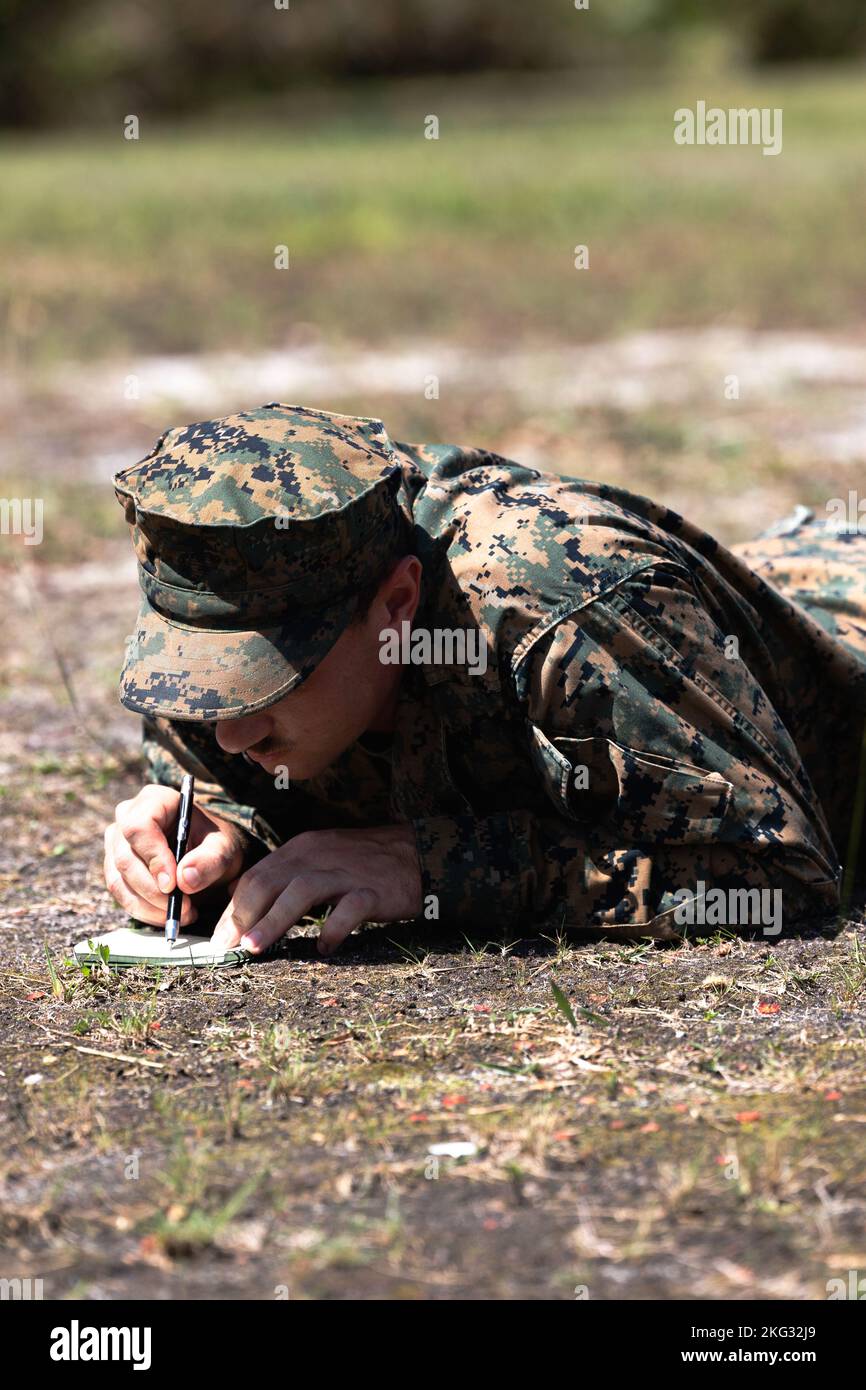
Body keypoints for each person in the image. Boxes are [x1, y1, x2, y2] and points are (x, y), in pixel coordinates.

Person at [103, 403, 866, 957]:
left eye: (259, 684)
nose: (227, 731)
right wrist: (228, 834)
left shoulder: (564, 611)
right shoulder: (220, 603)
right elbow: (226, 768)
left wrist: (441, 866)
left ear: (398, 605)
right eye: (198, 677)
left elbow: (780, 876)